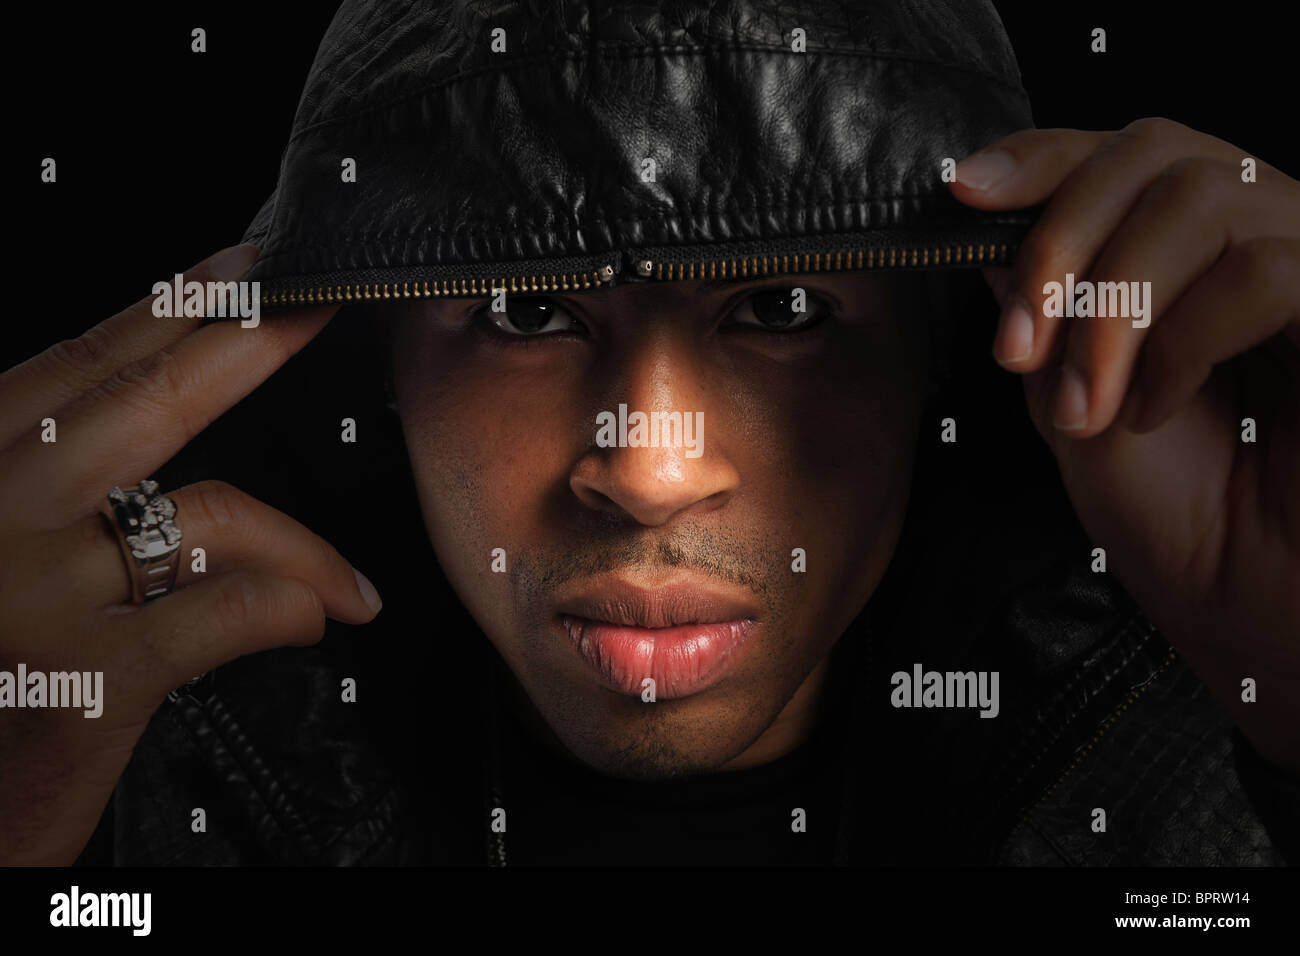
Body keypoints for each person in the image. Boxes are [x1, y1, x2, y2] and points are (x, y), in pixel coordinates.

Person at [2, 0, 1297, 867]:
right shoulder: (90, 778)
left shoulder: (1231, 722)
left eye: (783, 308)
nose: (650, 471)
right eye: (525, 309)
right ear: (377, 359)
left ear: (943, 353)